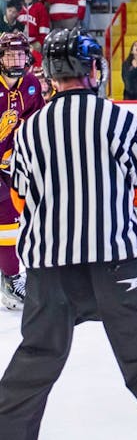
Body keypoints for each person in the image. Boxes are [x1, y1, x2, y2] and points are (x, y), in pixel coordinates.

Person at [0, 27, 137, 438]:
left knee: (34, 364)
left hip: (48, 271)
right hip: (117, 265)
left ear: (50, 74)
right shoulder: (120, 119)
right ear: (93, 69)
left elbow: (20, 201)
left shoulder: (29, 132)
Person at [0, 32, 43, 310]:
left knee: (12, 217)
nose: (15, 60)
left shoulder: (30, 84)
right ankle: (10, 277)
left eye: (19, 55)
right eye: (9, 55)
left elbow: (36, 121)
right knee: (6, 215)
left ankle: (10, 275)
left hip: (8, 165)